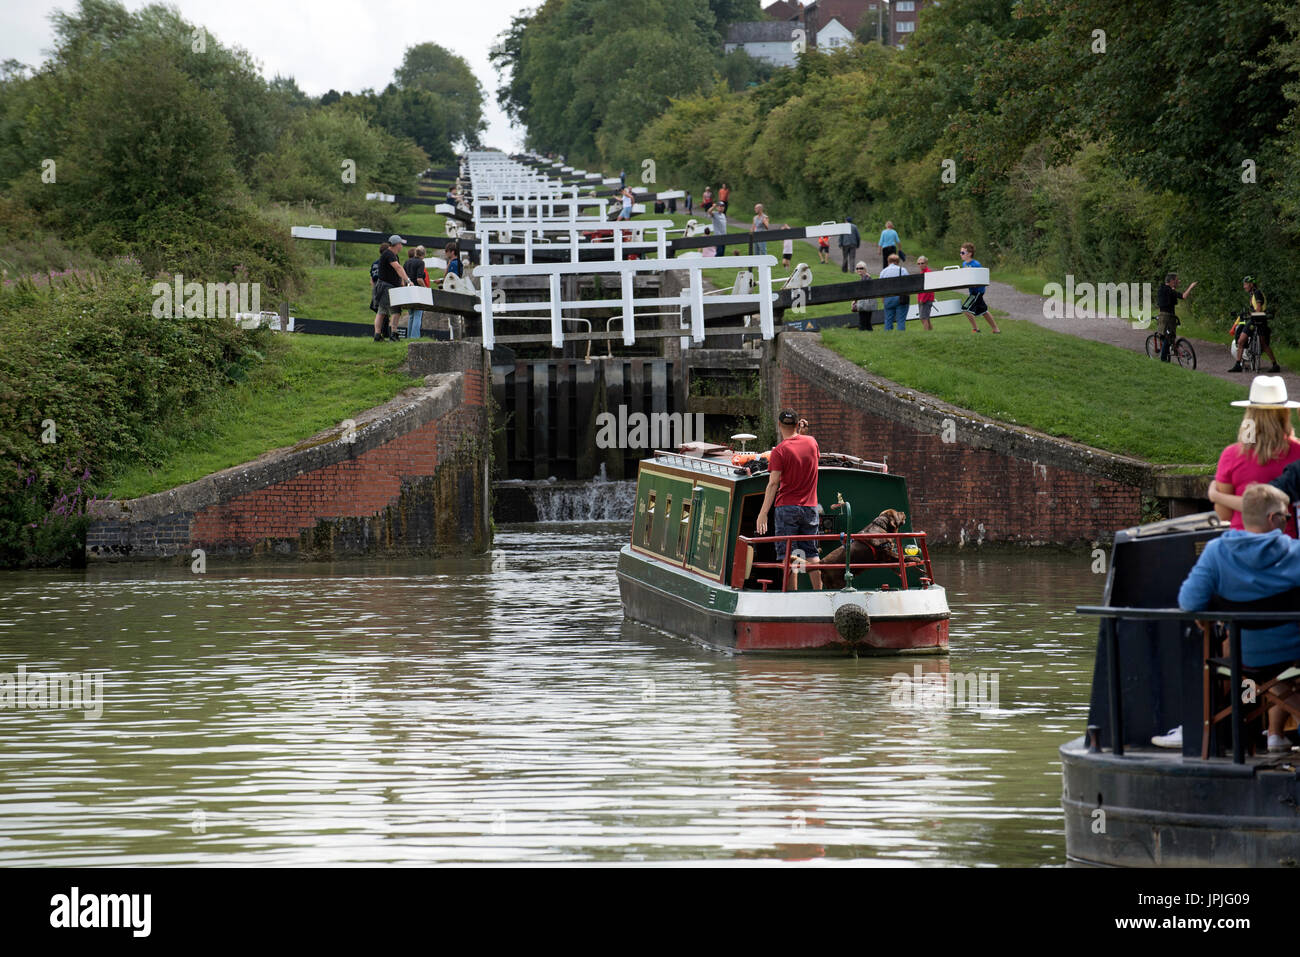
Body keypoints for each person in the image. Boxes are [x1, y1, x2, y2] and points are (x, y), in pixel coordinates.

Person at [1179, 483, 1300, 752]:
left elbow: (1188, 602)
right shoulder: (1296, 553)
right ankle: (1275, 734)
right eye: (1287, 518)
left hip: (1240, 658)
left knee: (1214, 651)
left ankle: (1207, 731)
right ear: (1274, 519)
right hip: (1292, 656)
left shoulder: (1216, 552)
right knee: (1283, 676)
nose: (1288, 522)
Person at [1205, 376, 1300, 537]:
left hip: (1242, 544)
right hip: (1286, 546)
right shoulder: (1297, 451)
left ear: (1250, 413)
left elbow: (1224, 515)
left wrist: (1216, 496)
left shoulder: (1232, 455)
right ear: (1286, 413)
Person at [755, 409, 823, 591]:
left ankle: (792, 596)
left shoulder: (779, 451)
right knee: (811, 553)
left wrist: (762, 514)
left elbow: (773, 483)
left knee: (789, 555)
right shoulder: (812, 442)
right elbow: (806, 453)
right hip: (810, 507)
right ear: (797, 425)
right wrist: (802, 434)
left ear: (779, 425)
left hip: (786, 508)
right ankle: (820, 593)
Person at [1229, 276, 1281, 373]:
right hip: (1259, 319)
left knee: (1242, 340)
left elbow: (1258, 308)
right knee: (1262, 343)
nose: (1244, 287)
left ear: (1251, 284)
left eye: (1245, 284)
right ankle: (1274, 364)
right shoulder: (1253, 294)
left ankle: (1238, 364)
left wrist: (1253, 315)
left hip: (1256, 320)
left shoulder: (1257, 293)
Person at [374, 234, 414, 343]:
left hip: (384, 286)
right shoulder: (389, 254)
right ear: (396, 244)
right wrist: (408, 281)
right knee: (395, 310)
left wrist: (401, 283)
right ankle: (393, 334)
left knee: (381, 311)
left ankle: (377, 335)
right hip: (387, 287)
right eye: (401, 244)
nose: (401, 246)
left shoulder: (391, 254)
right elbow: (398, 268)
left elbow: (397, 271)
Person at [1155, 271, 1196, 362]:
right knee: (1168, 337)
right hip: (1168, 317)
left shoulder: (1162, 288)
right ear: (1172, 281)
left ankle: (1165, 353)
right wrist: (1191, 286)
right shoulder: (1170, 291)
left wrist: (1174, 286)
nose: (1178, 281)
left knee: (1166, 335)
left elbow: (1169, 296)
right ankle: (1163, 358)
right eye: (1176, 280)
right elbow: (1184, 296)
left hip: (1162, 315)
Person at [959, 242, 1000, 333]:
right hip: (972, 291)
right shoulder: (964, 264)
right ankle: (996, 329)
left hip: (977, 292)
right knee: (984, 311)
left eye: (963, 253)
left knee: (965, 309)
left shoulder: (976, 264)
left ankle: (975, 329)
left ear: (969, 253)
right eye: (960, 253)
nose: (961, 255)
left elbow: (981, 278)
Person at [403, 245, 430, 340]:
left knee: (411, 315)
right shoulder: (421, 263)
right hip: (417, 291)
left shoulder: (407, 262)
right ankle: (415, 338)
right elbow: (419, 279)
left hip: (408, 290)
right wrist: (425, 288)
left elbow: (403, 278)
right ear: (423, 254)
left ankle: (409, 337)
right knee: (418, 315)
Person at [879, 253, 909, 331]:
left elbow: (880, 286)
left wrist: (883, 298)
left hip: (888, 298)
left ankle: (887, 335)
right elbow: (909, 284)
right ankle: (900, 335)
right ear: (898, 262)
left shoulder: (883, 271)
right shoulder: (902, 270)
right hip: (900, 298)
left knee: (888, 320)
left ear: (888, 261)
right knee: (901, 320)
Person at [915, 255, 935, 330]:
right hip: (922, 298)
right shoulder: (922, 273)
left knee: (923, 318)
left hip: (926, 299)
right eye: (918, 263)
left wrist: (922, 299)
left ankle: (926, 334)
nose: (920, 265)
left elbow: (928, 289)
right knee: (926, 318)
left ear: (926, 263)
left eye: (922, 263)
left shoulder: (928, 273)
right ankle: (931, 332)